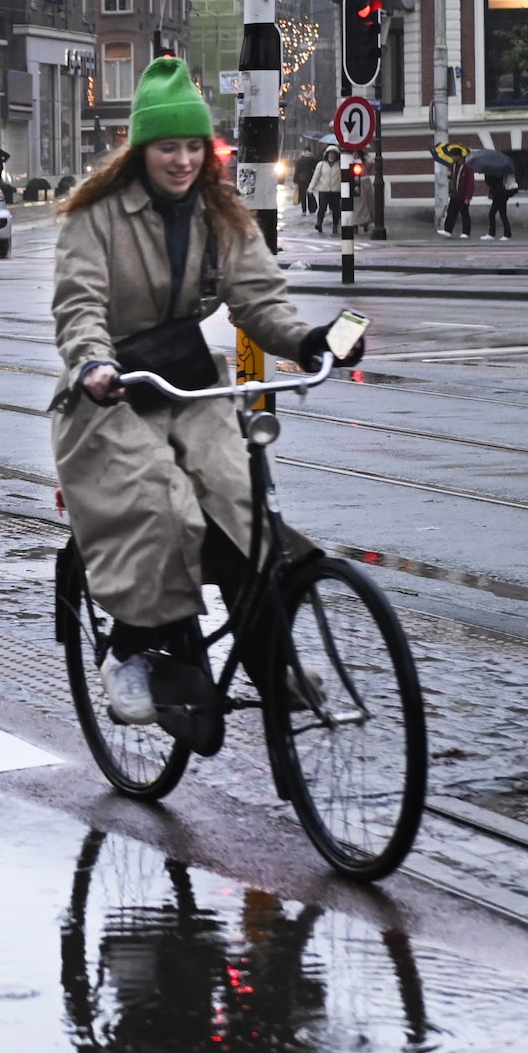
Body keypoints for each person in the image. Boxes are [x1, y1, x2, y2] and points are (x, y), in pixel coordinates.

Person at [51, 56, 362, 744]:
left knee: (243, 506)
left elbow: (260, 299)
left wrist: (311, 339)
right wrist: (93, 363)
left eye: (194, 146)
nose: (184, 160)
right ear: (142, 150)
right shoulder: (96, 216)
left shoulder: (221, 215)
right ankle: (129, 652)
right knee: (162, 503)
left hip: (190, 384)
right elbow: (79, 308)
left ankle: (270, 660)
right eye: (169, 146)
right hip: (110, 398)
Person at [307, 147, 344, 234]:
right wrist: (310, 189)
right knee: (322, 208)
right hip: (324, 190)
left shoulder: (340, 165)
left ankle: (335, 226)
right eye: (330, 154)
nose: (332, 156)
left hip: (336, 191)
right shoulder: (321, 165)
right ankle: (319, 223)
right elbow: (315, 178)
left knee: (336, 210)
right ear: (327, 155)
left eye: (334, 154)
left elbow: (344, 179)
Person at [442, 161, 475, 238]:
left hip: (462, 195)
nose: (453, 158)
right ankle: (448, 230)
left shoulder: (467, 167)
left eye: (454, 156)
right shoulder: (453, 165)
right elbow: (452, 178)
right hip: (454, 194)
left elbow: (470, 182)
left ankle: (466, 232)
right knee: (451, 212)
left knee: (464, 213)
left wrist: (468, 197)